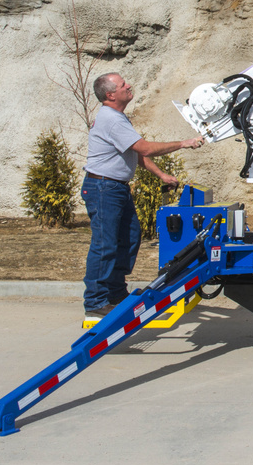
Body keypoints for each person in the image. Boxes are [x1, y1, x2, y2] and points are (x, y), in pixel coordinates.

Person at [81, 72, 203, 320]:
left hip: (115, 188)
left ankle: (115, 293)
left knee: (129, 237)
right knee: (105, 245)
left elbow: (135, 152)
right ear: (110, 94)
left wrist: (161, 175)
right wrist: (184, 143)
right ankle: (95, 300)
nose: (129, 85)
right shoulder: (111, 120)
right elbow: (145, 148)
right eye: (122, 84)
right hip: (103, 188)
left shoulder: (117, 117)